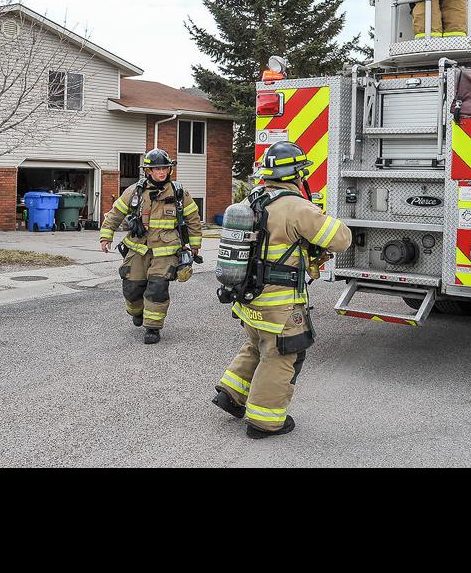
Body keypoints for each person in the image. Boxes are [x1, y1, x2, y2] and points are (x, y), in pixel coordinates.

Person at [212, 141, 351, 439]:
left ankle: (230, 394)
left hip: (250, 297)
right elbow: (340, 239)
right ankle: (264, 421)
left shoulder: (254, 198)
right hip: (280, 302)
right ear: (297, 174)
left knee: (256, 344)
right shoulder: (296, 206)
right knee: (283, 354)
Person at [99, 148, 204, 344]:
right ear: (148, 171)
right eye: (156, 169)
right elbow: (115, 214)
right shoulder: (134, 192)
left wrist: (195, 244)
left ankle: (153, 328)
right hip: (137, 249)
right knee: (132, 288)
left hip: (166, 251)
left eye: (165, 168)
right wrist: (106, 236)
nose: (161, 172)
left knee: (157, 288)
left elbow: (193, 220)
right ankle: (137, 312)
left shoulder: (180, 193)